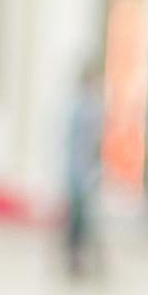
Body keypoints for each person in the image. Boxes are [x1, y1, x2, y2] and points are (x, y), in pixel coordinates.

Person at [60, 62, 108, 279]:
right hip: (80, 171)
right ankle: (78, 259)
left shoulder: (88, 107)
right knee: (78, 220)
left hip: (83, 170)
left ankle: (83, 260)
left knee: (82, 220)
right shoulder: (83, 107)